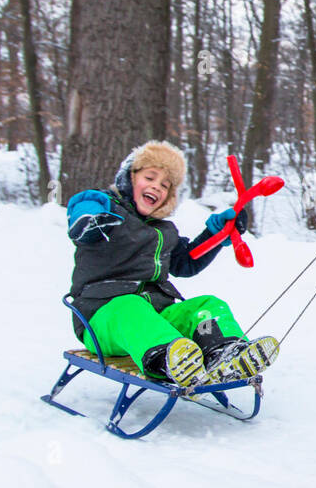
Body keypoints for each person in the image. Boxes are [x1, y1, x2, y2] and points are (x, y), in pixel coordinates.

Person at [66, 140, 278, 386]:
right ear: (130, 178)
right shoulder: (106, 207)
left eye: (165, 185)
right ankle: (167, 359)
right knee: (130, 307)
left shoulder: (164, 231)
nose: (156, 187)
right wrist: (90, 219)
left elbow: (186, 262)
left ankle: (226, 353)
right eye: (150, 177)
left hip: (157, 318)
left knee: (207, 306)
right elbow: (83, 206)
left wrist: (216, 234)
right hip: (103, 321)